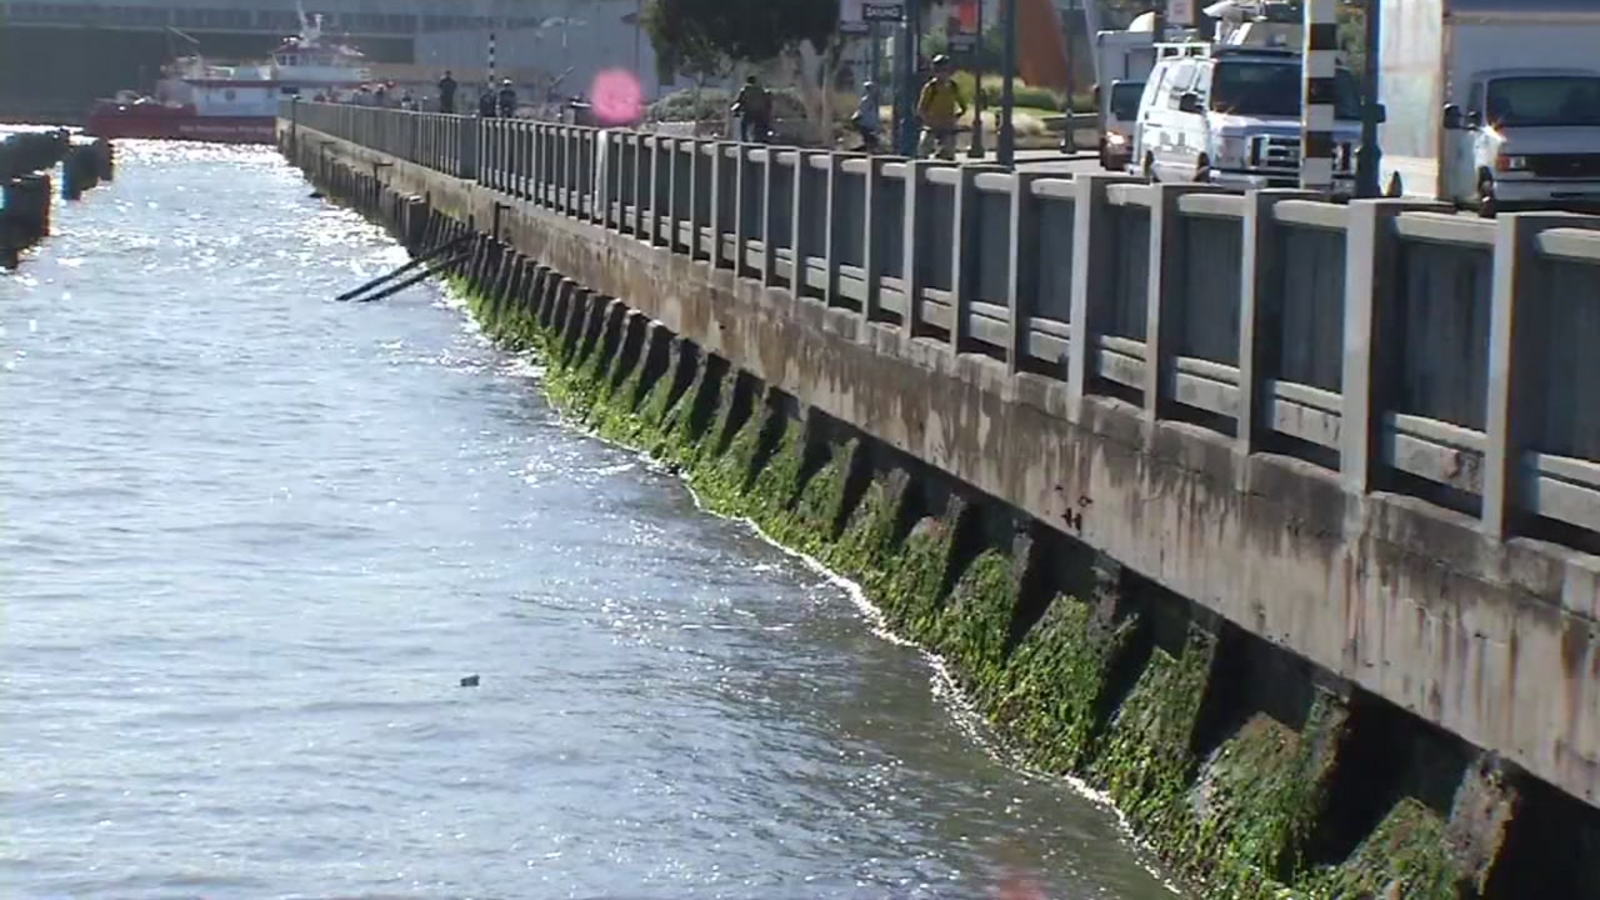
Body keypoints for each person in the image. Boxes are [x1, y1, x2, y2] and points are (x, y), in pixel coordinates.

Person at [917, 55, 966, 160]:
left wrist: (955, 118)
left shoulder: (953, 87)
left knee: (949, 150)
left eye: (945, 70)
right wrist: (929, 120)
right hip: (932, 126)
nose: (943, 74)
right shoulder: (931, 87)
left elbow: (963, 107)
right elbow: (921, 109)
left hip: (947, 125)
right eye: (939, 70)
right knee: (923, 148)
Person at [730, 75, 772, 143]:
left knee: (743, 125)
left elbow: (740, 102)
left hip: (749, 112)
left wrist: (735, 111)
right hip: (760, 113)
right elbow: (767, 102)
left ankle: (744, 140)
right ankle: (761, 139)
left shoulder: (745, 90)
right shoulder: (761, 90)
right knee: (760, 127)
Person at [851, 81, 882, 153]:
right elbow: (861, 112)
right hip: (866, 125)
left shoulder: (873, 101)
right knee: (871, 142)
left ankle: (860, 152)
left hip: (870, 126)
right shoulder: (865, 101)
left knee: (871, 143)